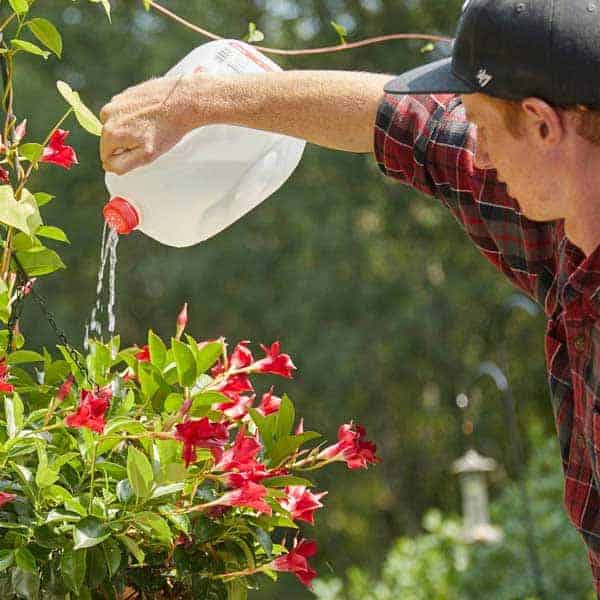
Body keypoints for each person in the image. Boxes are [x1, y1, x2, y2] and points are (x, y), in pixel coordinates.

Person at [100, 0, 600, 593]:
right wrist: (194, 102)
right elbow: (393, 119)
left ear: (543, 125)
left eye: (484, 128)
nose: (479, 152)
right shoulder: (560, 218)